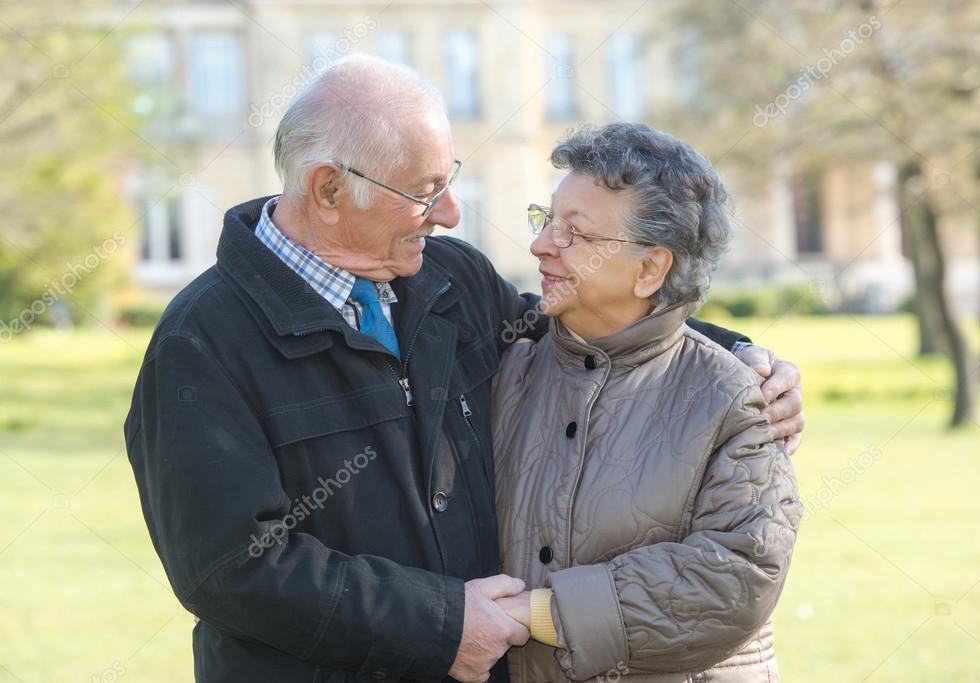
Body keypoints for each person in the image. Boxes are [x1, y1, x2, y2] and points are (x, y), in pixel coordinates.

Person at [124, 56, 805, 683]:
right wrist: (443, 621)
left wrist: (736, 354)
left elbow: (584, 328)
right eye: (426, 192)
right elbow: (230, 568)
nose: (449, 215)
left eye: (449, 181)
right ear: (328, 189)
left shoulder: (450, 279)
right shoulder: (201, 340)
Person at [490, 124, 802, 681]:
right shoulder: (504, 368)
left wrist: (542, 613)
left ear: (650, 269)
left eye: (575, 234)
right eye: (546, 221)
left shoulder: (735, 399)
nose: (540, 245)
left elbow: (735, 576)